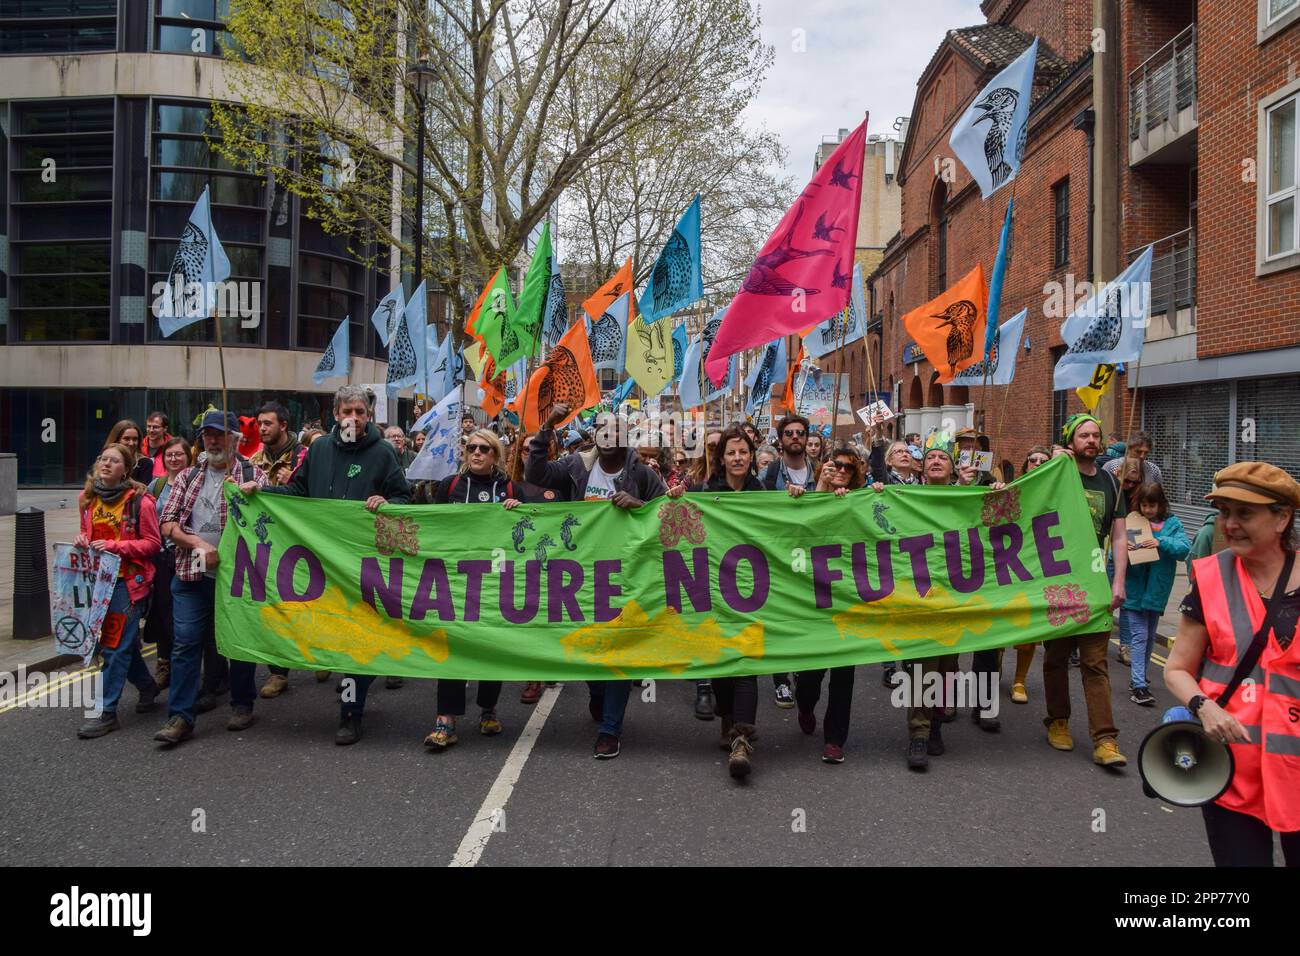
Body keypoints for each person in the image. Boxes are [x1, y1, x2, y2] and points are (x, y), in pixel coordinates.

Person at [238, 385, 411, 744]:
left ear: (368, 416)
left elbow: (402, 497)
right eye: (346, 411)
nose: (353, 418)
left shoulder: (382, 453)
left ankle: (351, 712)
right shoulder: (318, 450)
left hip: (362, 564)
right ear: (335, 415)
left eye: (359, 413)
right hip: (321, 562)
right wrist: (263, 492)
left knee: (355, 641)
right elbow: (299, 493)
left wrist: (387, 500)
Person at [1165, 461, 1300, 866]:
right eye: (1224, 512)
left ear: (1281, 518)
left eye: (1244, 513)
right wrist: (1204, 707)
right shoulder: (1208, 578)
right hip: (1230, 776)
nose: (1230, 524)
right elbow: (1176, 669)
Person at [526, 401, 666, 760]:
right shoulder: (576, 466)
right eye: (602, 429)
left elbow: (668, 513)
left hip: (625, 575)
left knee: (616, 648)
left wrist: (640, 505)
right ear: (594, 435)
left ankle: (610, 729)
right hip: (580, 576)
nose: (608, 435)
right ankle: (598, 692)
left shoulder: (642, 474)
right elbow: (536, 474)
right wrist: (548, 426)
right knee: (588, 647)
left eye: (615, 429)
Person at [154, 412, 269, 746]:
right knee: (186, 642)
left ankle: (242, 704)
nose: (214, 441)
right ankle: (181, 716)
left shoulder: (252, 474)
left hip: (237, 578)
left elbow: (272, 521)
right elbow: (168, 522)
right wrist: (198, 543)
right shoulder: (188, 477)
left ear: (236, 438)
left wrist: (254, 494)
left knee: (240, 642)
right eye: (208, 435)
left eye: (220, 434)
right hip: (192, 575)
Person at [666, 425, 764, 778]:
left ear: (751, 456)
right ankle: (727, 716)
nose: (738, 458)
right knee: (723, 668)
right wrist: (677, 500)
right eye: (731, 453)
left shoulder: (764, 491)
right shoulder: (708, 492)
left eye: (743, 452)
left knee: (746, 664)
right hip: (717, 590)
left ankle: (742, 739)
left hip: (754, 591)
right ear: (721, 460)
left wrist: (798, 496)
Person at [421, 430, 522, 750]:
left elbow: (527, 531)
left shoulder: (507, 487)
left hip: (494, 579)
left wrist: (519, 508)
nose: (476, 453)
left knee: (491, 645)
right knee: (453, 645)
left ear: (495, 455)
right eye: (471, 448)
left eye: (484, 448)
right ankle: (445, 719)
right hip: (455, 579)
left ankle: (488, 708)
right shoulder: (449, 486)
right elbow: (431, 525)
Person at [1043, 413, 1128, 768]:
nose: (1091, 440)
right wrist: (1050, 465)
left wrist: (1118, 581)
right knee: (1056, 658)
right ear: (1070, 440)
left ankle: (1105, 739)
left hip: (1094, 582)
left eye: (1096, 435)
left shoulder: (1111, 481)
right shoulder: (1056, 472)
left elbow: (1120, 534)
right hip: (1058, 581)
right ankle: (1058, 721)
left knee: (1095, 663)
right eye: (1083, 435)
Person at [74, 443, 163, 738]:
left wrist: (116, 546)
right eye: (103, 459)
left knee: (114, 647)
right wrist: (82, 540)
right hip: (98, 583)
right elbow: (89, 535)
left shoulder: (140, 502)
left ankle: (106, 712)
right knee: (119, 644)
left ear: (126, 469)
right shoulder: (87, 499)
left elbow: (153, 544)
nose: (106, 464)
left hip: (129, 584)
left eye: (114, 461)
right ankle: (148, 687)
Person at [796, 446, 865, 764]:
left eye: (848, 468)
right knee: (810, 675)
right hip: (811, 600)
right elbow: (797, 531)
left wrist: (876, 494)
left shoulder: (861, 503)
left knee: (843, 675)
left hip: (847, 601)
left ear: (855, 476)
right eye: (835, 464)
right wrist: (818, 490)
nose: (840, 470)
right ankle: (805, 703)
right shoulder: (804, 495)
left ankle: (835, 739)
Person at [759, 413, 817, 709]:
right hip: (777, 557)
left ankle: (802, 667)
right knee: (778, 619)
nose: (795, 437)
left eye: (800, 433)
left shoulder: (821, 474)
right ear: (780, 440)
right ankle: (780, 679)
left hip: (811, 560)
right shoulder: (768, 476)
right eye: (789, 433)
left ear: (807, 438)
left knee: (806, 617)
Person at [1121, 482, 1188, 706]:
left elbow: (1184, 549)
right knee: (1139, 636)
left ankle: (1139, 677)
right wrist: (1124, 550)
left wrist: (1161, 541)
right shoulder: (1131, 522)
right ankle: (1139, 684)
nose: (1148, 510)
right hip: (1135, 589)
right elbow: (1114, 554)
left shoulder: (1172, 524)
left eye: (1152, 505)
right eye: (1144, 505)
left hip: (1157, 591)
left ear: (1161, 504)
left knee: (1149, 636)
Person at [142, 437, 192, 690]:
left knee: (183, 615)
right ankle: (164, 664)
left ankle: (190, 668)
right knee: (162, 612)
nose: (173, 459)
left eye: (178, 455)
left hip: (186, 555)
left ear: (188, 457)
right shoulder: (156, 485)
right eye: (169, 455)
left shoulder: (195, 482)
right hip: (161, 558)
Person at [1008, 445, 1051, 704]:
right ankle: (993, 673)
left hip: (1038, 567)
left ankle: (1019, 680)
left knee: (1028, 632)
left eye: (1043, 460)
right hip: (1009, 564)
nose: (1037, 463)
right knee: (998, 627)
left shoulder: (1057, 493)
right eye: (1032, 459)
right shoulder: (1011, 490)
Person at [1114, 457, 1148, 667]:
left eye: (1133, 483)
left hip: (1132, 552)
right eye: (1125, 481)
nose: (1128, 486)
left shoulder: (1139, 498)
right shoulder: (1112, 490)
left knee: (1124, 601)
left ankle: (1125, 645)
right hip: (1108, 553)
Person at [134, 412, 172, 483]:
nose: (151, 430)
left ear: (165, 428)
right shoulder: (138, 447)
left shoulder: (173, 449)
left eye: (155, 427)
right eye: (149, 426)